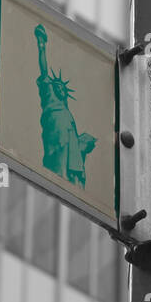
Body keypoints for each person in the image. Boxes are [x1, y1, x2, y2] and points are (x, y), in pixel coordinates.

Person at [34, 24, 96, 187]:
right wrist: (42, 46)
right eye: (58, 87)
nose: (61, 89)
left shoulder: (67, 110)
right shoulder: (48, 95)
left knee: (71, 169)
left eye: (63, 88)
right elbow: (44, 72)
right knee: (56, 157)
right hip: (54, 127)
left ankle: (71, 181)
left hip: (68, 132)